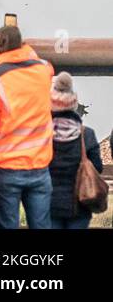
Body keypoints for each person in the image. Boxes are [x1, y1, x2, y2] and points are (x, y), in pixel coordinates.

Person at [0, 24, 55, 229]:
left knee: (7, 224)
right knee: (41, 224)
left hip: (6, 167)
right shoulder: (44, 69)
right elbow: (42, 63)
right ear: (22, 44)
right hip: (39, 164)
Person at [46, 72, 103, 229]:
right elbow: (97, 167)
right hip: (80, 204)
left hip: (49, 204)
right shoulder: (87, 134)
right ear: (74, 104)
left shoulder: (43, 134)